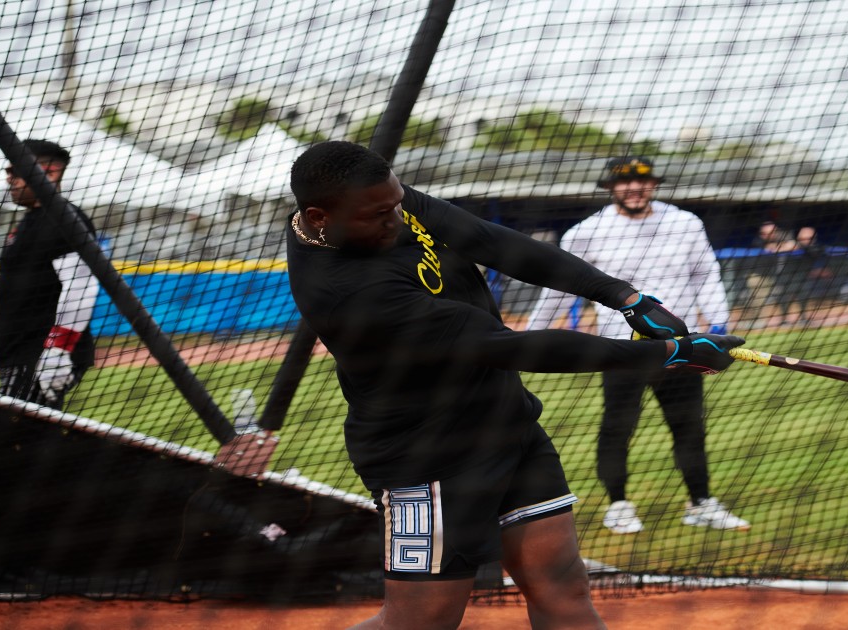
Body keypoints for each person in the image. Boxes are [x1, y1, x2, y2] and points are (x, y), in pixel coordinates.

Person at [278, 141, 744, 629]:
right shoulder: (346, 291)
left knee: (563, 591)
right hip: (426, 458)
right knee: (420, 621)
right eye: (379, 214)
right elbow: (514, 348)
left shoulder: (372, 199)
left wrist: (626, 297)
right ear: (318, 217)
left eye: (397, 202)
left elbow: (490, 241)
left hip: (508, 425)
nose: (396, 217)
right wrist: (667, 355)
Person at [525, 156, 750, 535]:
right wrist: (531, 337)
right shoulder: (586, 232)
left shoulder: (685, 223)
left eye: (642, 181)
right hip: (621, 350)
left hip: (682, 347)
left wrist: (717, 323)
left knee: (689, 427)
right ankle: (619, 505)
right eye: (624, 182)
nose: (634, 188)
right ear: (611, 187)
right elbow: (559, 289)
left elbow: (705, 274)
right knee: (618, 427)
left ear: (654, 184)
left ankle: (701, 503)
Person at [0, 140, 98, 409]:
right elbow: (13, 294)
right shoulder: (31, 220)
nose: (9, 179)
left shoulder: (64, 219)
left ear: (50, 173)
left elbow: (80, 288)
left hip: (39, 355)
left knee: (19, 431)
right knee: (23, 430)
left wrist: (58, 350)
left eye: (15, 172)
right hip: (19, 352)